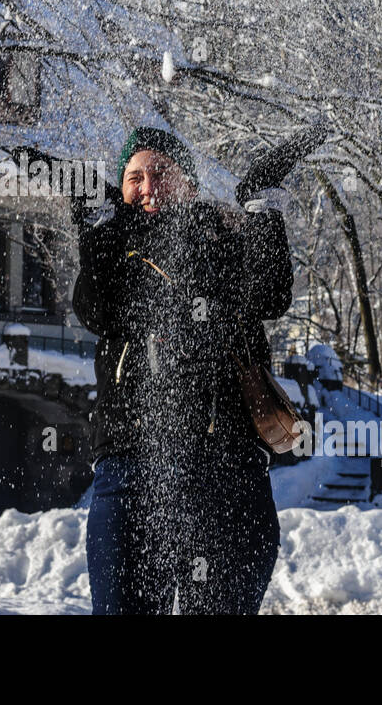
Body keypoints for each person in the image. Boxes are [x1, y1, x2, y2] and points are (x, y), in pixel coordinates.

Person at [73, 125, 299, 614]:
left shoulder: (220, 235)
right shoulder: (114, 241)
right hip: (131, 467)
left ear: (189, 183)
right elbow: (94, 309)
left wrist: (261, 208)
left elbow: (271, 294)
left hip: (226, 470)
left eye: (161, 173)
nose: (148, 187)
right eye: (135, 177)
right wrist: (94, 223)